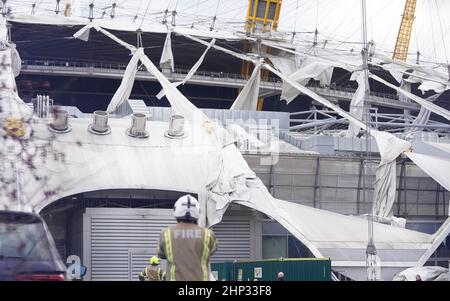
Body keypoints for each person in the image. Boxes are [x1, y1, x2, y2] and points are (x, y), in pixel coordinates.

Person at [157, 194, 218, 281]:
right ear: (198, 212)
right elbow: (212, 251)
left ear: (176, 210)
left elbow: (161, 254)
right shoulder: (208, 234)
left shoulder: (166, 233)